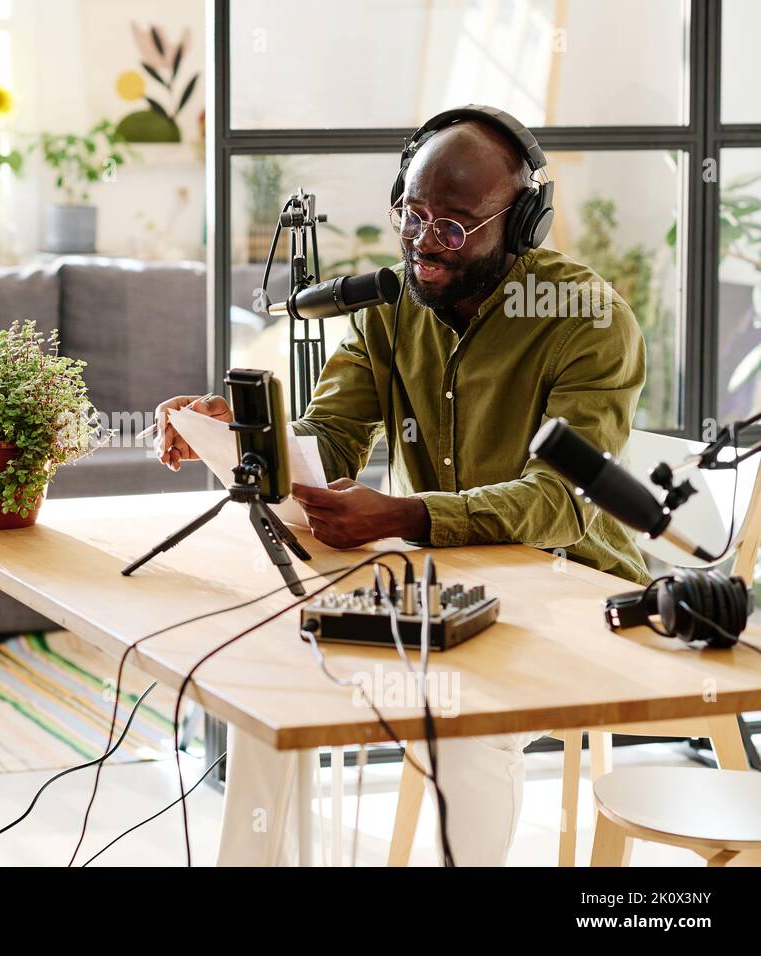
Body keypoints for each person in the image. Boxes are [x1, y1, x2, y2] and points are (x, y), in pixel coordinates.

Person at [154, 107, 649, 866]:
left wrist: (407, 514)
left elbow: (561, 504)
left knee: (465, 731)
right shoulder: (392, 307)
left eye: (452, 226)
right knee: (269, 692)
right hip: (442, 589)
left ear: (521, 224)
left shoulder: (586, 318)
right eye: (411, 215)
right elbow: (332, 436)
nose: (422, 243)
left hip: (575, 596)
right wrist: (241, 435)